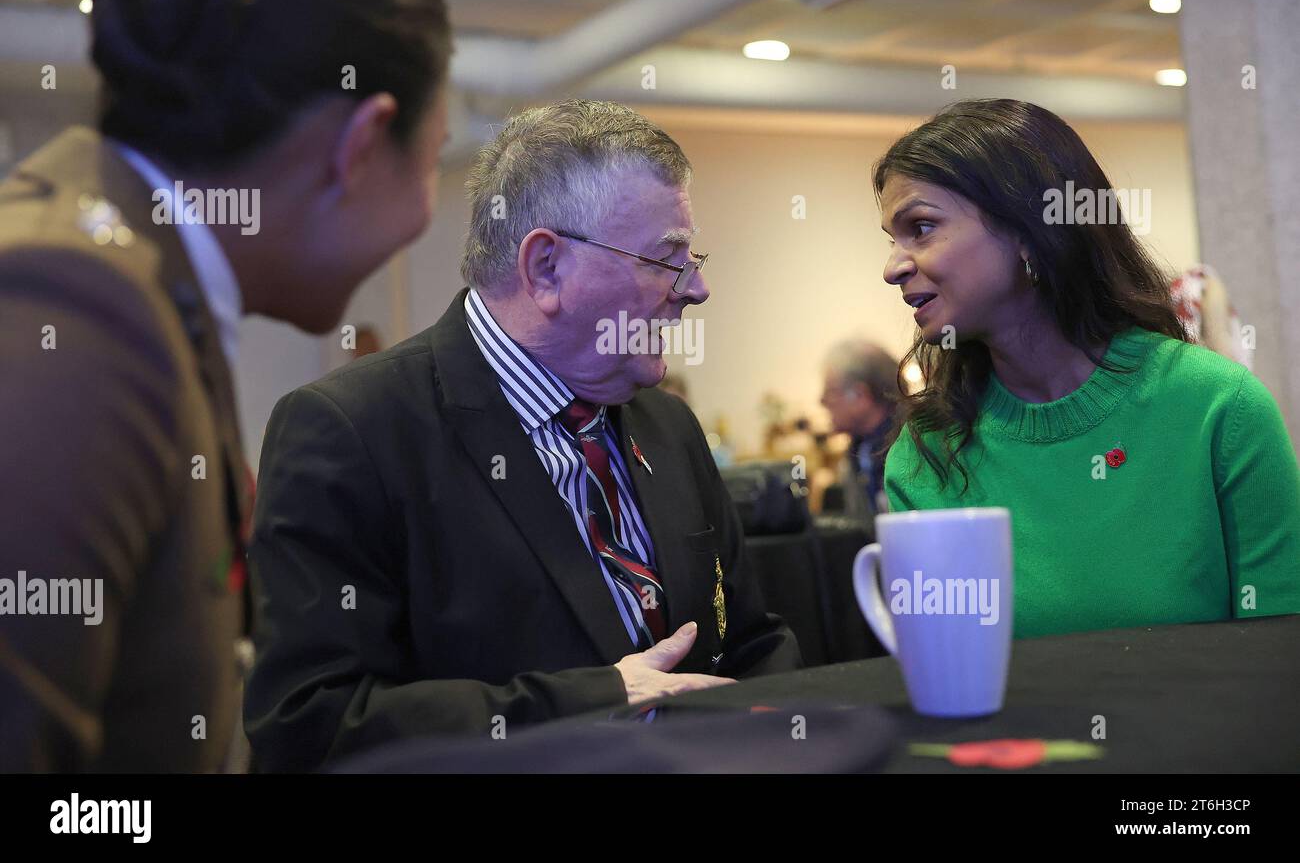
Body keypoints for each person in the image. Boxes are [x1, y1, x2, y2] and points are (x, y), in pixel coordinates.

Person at [0, 0, 451, 772]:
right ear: (358, 149)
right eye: (431, 162)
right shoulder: (80, 312)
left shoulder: (136, 278)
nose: (425, 211)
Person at [244, 100, 802, 772]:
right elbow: (312, 723)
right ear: (546, 269)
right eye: (666, 259)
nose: (698, 289)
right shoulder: (352, 432)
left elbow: (751, 639)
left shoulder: (668, 424)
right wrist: (601, 698)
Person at [876, 98, 1300, 639]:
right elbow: (946, 671)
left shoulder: (1218, 409)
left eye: (922, 228)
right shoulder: (928, 452)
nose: (893, 267)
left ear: (1029, 230)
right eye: (892, 239)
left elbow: (1283, 653)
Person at [820, 340, 898, 518]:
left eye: (830, 391)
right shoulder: (859, 451)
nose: (822, 401)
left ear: (860, 396)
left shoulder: (910, 449)